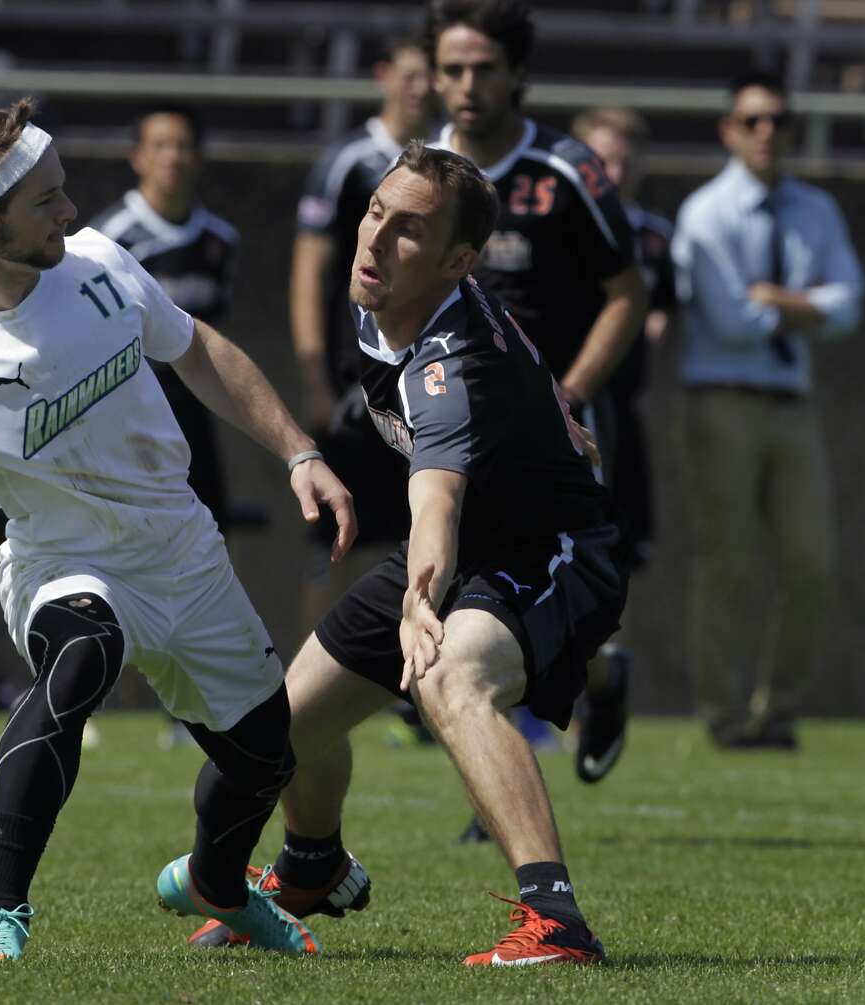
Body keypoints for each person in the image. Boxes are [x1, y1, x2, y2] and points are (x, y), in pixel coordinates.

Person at [0, 97, 357, 959]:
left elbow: (199, 349)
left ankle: (217, 883)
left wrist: (298, 452)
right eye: (48, 200)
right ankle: (0, 912)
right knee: (82, 658)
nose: (71, 210)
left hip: (184, 548)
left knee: (263, 757)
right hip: (64, 563)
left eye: (65, 191)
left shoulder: (99, 259)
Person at [189, 142, 628, 966]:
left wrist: (419, 597)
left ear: (460, 261)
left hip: (551, 552)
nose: (377, 237)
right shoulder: (379, 294)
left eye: (409, 230)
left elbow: (437, 499)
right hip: (470, 549)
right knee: (280, 732)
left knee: (449, 675)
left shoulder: (450, 364)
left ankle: (556, 920)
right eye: (376, 211)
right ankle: (312, 864)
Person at [425, 0, 646, 792]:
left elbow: (627, 291)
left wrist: (573, 392)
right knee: (463, 597)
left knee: (526, 593)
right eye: (452, 69)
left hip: (554, 429)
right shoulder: (417, 170)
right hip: (453, 422)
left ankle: (587, 684)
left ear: (517, 74)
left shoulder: (567, 169)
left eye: (484, 68)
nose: (468, 84)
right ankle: (591, 683)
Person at [672, 71, 863, 750]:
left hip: (793, 404)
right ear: (729, 129)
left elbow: (851, 304)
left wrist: (781, 301)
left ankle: (778, 706)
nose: (766, 132)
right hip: (723, 399)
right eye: (752, 119)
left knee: (814, 562)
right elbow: (729, 319)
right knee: (729, 561)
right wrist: (810, 305)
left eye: (777, 120)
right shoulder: (706, 212)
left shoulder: (816, 209)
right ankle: (725, 714)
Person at [290, 35, 432, 633]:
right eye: (412, 74)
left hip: (425, 384)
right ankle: (301, 700)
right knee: (333, 546)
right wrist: (315, 380)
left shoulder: (446, 164)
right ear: (383, 76)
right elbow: (308, 274)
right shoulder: (348, 159)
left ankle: (418, 696)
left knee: (423, 538)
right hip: (355, 387)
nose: (423, 87)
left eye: (433, 76)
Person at [570, 105, 676, 697]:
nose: (614, 171)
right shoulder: (560, 226)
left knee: (619, 554)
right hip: (559, 410)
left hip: (620, 413)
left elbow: (665, 308)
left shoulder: (656, 238)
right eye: (602, 159)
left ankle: (602, 690)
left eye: (625, 160)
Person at [92, 107, 237, 533]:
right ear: (138, 156)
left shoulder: (221, 241)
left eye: (183, 146)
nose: (172, 157)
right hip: (124, 412)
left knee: (210, 529)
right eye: (160, 146)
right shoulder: (109, 239)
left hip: (195, 408)